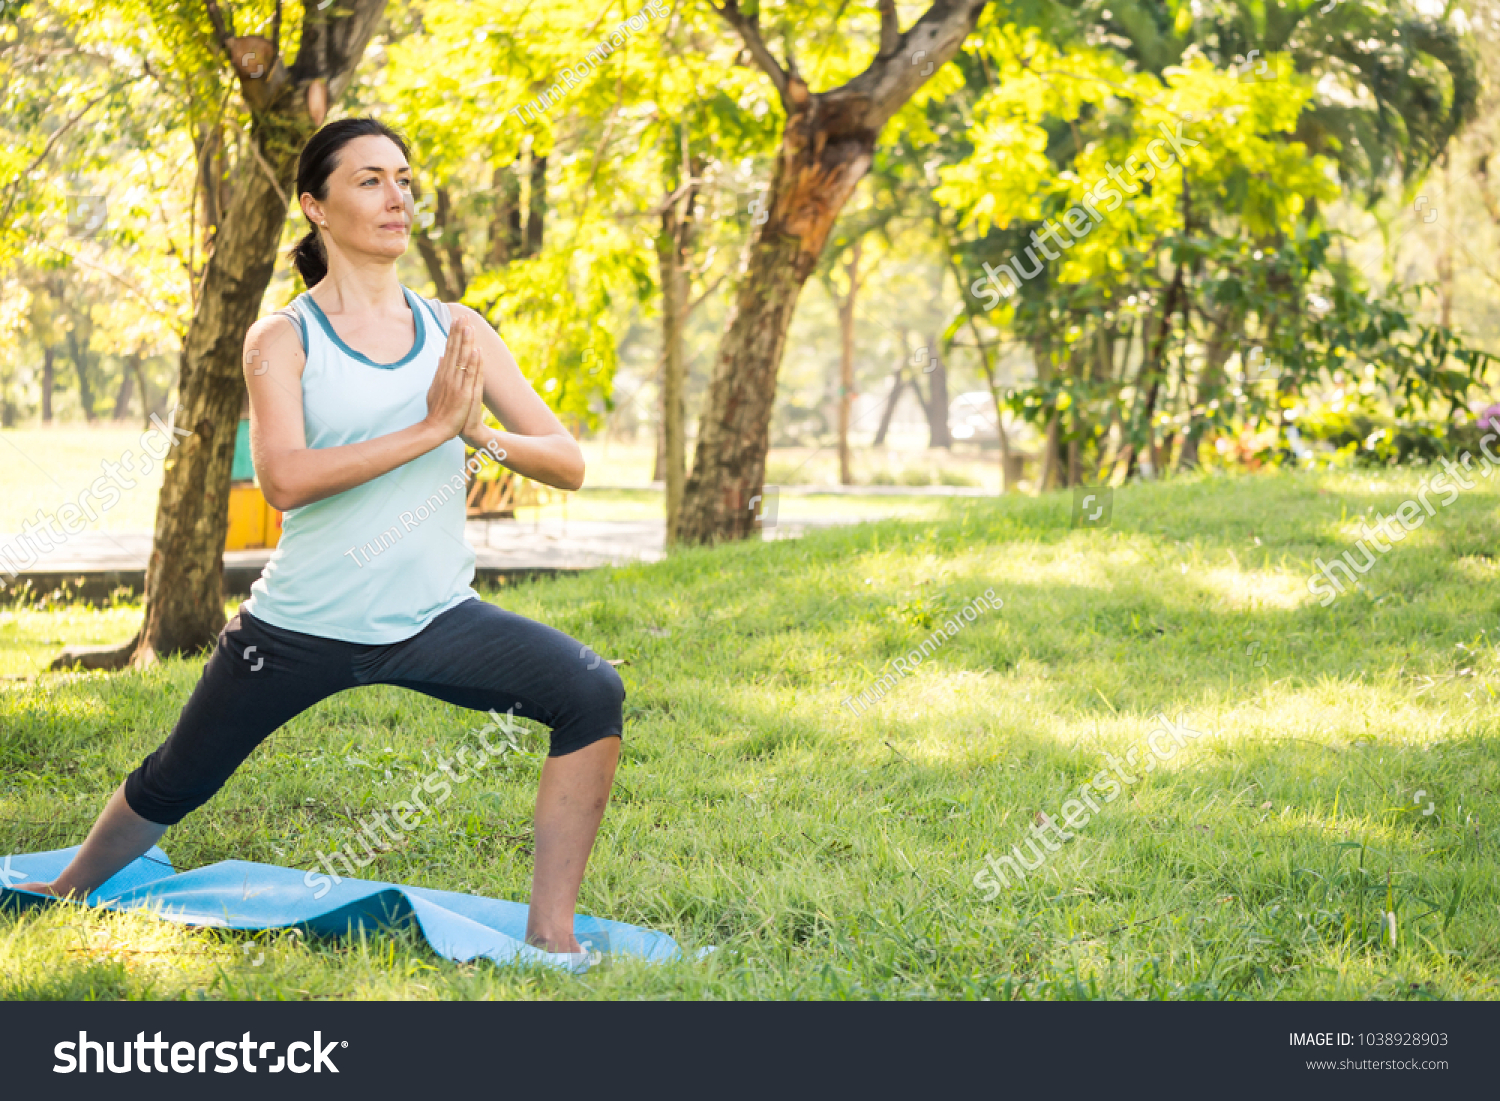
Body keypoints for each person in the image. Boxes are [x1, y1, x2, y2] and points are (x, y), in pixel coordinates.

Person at [15, 117, 624, 961]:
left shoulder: (460, 329)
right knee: (178, 778)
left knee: (590, 692)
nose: (397, 196)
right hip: (298, 627)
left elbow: (567, 461)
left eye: (405, 178)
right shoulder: (281, 338)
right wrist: (432, 430)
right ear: (315, 206)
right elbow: (286, 478)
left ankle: (550, 938)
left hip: (435, 617)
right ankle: (65, 888)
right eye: (370, 179)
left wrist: (478, 435)